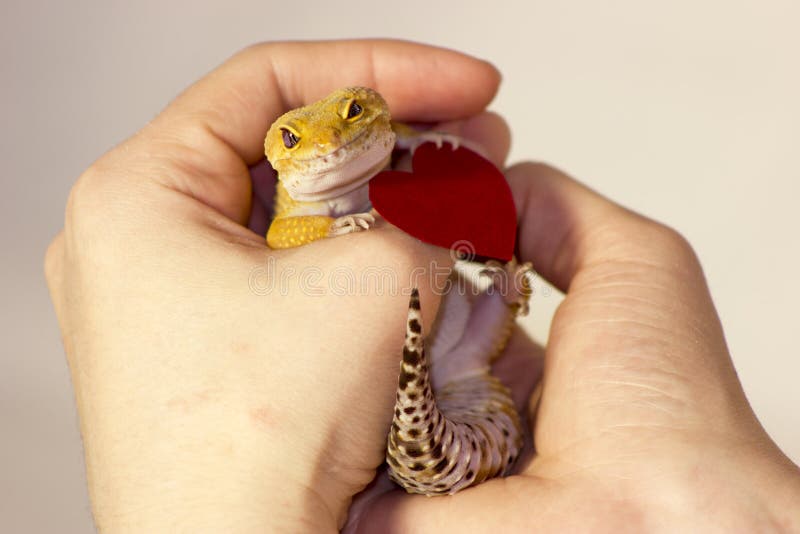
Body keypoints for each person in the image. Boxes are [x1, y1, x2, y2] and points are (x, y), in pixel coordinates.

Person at [45, 40, 800, 533]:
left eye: (348, 117)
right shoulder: (289, 235)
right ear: (278, 160)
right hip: (427, 401)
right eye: (293, 139)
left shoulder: (396, 185)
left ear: (378, 121)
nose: (327, 144)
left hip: (457, 386)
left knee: (474, 306)